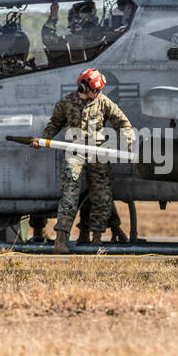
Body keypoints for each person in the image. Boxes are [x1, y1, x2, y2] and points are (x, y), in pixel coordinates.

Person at [34, 67, 134, 253]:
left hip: (98, 154)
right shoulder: (66, 103)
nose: (99, 93)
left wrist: (129, 141)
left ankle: (96, 240)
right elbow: (55, 123)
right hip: (74, 154)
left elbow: (123, 122)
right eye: (95, 90)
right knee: (69, 197)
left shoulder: (103, 102)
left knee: (103, 197)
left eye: (100, 90)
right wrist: (42, 139)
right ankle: (61, 240)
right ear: (83, 87)